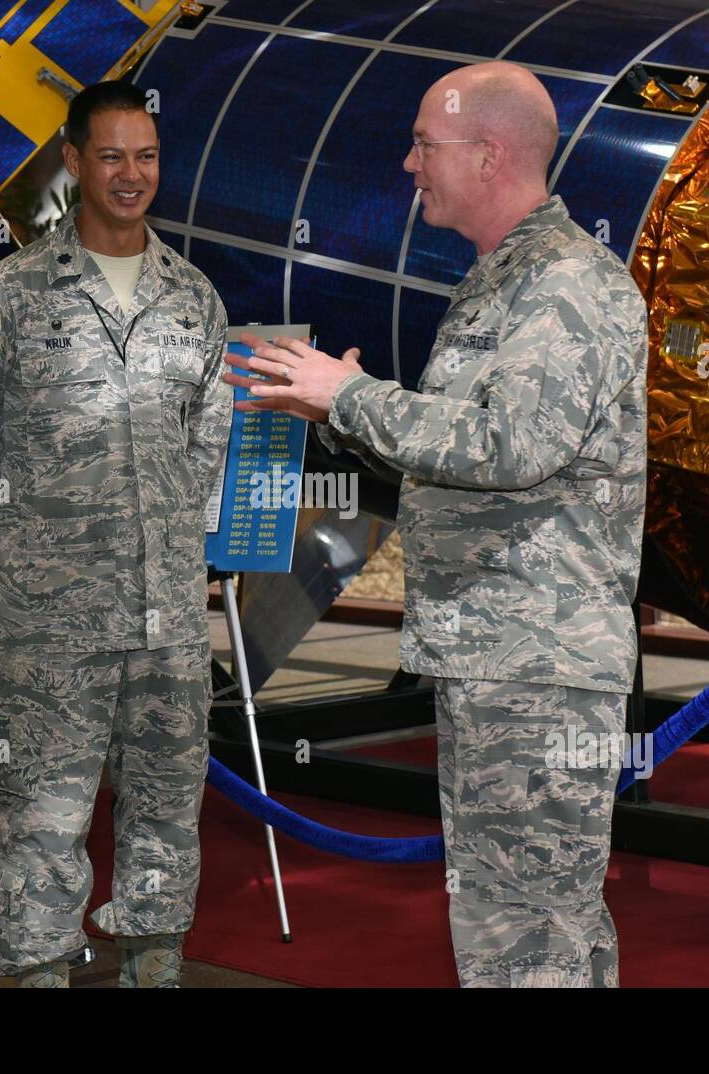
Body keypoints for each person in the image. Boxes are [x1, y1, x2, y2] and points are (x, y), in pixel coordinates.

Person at [224, 61, 647, 988]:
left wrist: (357, 394)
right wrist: (333, 410)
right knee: (523, 931)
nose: (409, 163)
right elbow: (460, 468)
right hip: (496, 657)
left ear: (489, 154)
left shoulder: (566, 285)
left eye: (425, 143)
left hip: (534, 667)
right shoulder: (504, 282)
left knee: (528, 936)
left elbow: (513, 446)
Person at [0, 81, 232, 989]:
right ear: (73, 162)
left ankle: (153, 967)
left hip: (168, 626)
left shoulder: (194, 296)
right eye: (111, 156)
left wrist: (173, 542)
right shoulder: (12, 297)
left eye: (145, 157)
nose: (131, 175)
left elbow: (208, 436)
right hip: (49, 627)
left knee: (166, 815)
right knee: (43, 824)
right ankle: (40, 972)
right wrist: (7, 545)